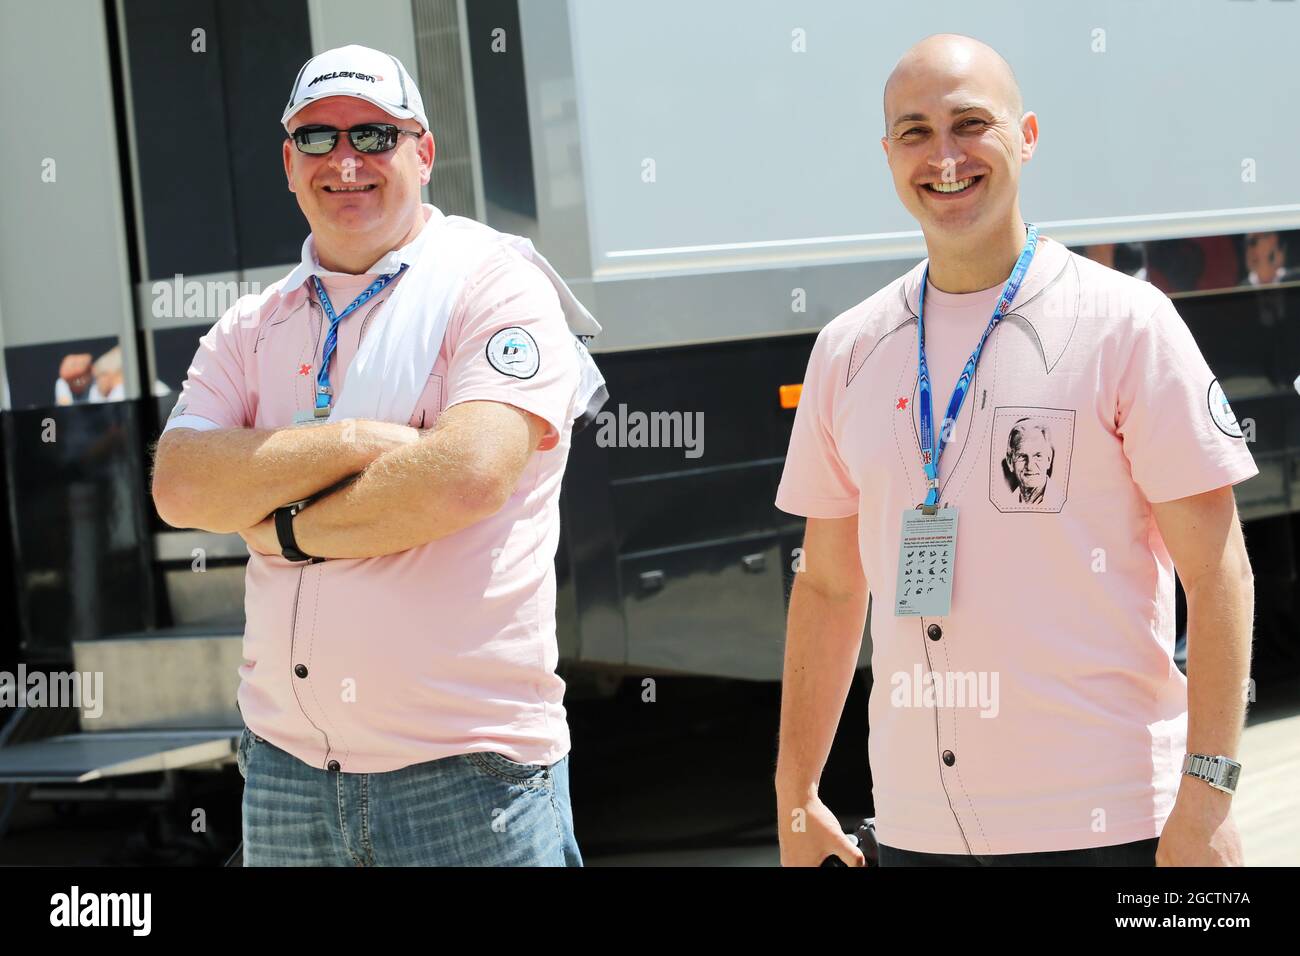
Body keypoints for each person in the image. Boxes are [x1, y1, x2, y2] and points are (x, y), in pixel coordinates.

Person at [774, 34, 1257, 867]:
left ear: (1026, 135)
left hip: (1114, 827)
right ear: (888, 155)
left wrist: (1206, 802)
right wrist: (796, 797)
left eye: (971, 123)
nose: (946, 156)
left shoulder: (1124, 325)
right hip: (918, 834)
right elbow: (825, 584)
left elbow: (1217, 574)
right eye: (916, 132)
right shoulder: (848, 349)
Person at [151, 44, 603, 866]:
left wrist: (280, 528)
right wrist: (362, 444)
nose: (345, 160)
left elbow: (465, 478)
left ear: (423, 154)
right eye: (317, 139)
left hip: (465, 777)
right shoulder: (253, 324)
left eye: (373, 134)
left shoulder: (495, 286)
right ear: (290, 164)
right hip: (285, 777)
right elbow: (181, 487)